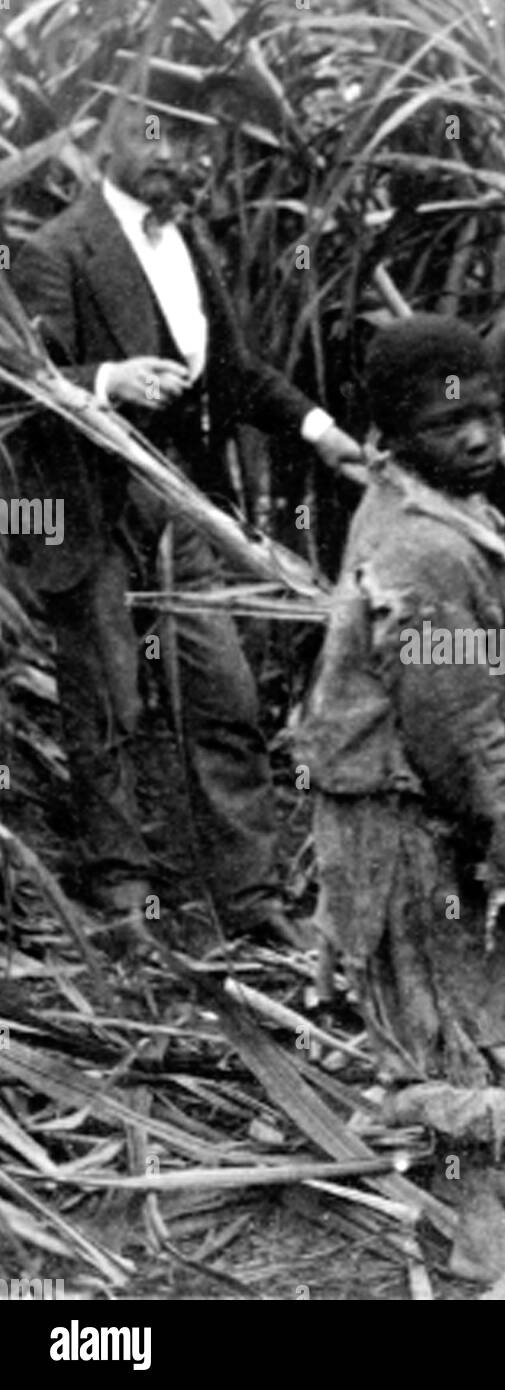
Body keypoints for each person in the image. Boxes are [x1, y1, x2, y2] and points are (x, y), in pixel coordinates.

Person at [8, 69, 361, 948]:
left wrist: (320, 431)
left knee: (224, 700)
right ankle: (126, 903)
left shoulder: (192, 248)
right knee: (110, 708)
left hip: (184, 512)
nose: (188, 160)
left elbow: (235, 376)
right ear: (115, 134)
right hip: (90, 517)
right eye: (166, 136)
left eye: (200, 143)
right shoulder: (57, 249)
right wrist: (105, 381)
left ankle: (250, 901)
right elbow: (20, 380)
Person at [299, 314, 505, 1115]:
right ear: (391, 430)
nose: (481, 440)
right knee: (445, 1036)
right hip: (403, 818)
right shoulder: (426, 548)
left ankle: (462, 1180)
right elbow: (450, 729)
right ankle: (464, 1213)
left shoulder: (419, 502)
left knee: (450, 1013)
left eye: (488, 414)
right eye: (448, 424)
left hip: (402, 803)